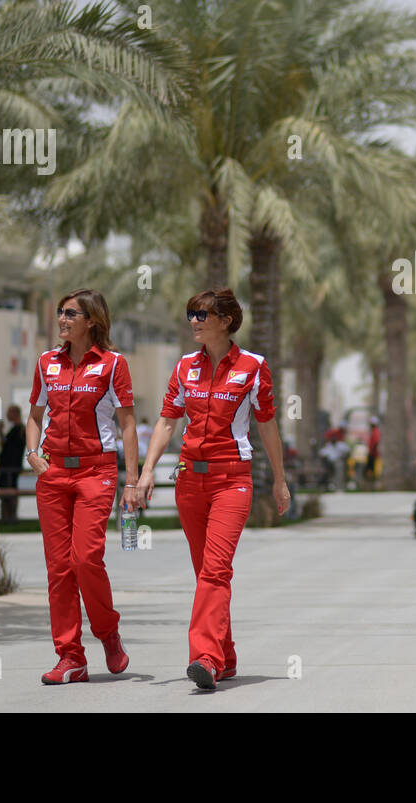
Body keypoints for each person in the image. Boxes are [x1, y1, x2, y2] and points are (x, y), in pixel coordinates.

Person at [135, 288, 290, 691]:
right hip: (189, 480)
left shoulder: (254, 366)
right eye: (190, 314)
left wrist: (280, 480)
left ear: (226, 320)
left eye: (202, 314)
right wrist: (146, 470)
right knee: (206, 573)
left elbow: (268, 424)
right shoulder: (185, 366)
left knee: (216, 570)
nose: (194, 321)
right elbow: (168, 421)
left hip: (231, 480)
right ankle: (226, 654)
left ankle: (205, 657)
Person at [25, 288, 137, 685]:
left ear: (92, 320)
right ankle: (70, 657)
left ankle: (108, 633)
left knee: (86, 558)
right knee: (58, 569)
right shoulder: (45, 363)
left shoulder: (112, 364)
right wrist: (32, 452)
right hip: (52, 475)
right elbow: (35, 415)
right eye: (60, 312)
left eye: (70, 313)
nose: (62, 319)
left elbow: (126, 425)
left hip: (97, 472)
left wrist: (133, 481)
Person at [0, 404, 26, 523]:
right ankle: (6, 516)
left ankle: (10, 516)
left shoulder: (19, 430)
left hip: (11, 466)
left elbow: (6, 444)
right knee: (6, 489)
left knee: (10, 490)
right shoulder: (17, 429)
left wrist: (0, 431)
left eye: (9, 413)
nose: (7, 415)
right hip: (9, 466)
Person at [366, 416, 381, 482]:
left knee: (372, 468)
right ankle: (371, 481)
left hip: (373, 453)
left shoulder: (375, 431)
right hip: (372, 452)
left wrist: (372, 451)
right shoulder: (373, 431)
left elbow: (376, 441)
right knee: (370, 468)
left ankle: (373, 481)